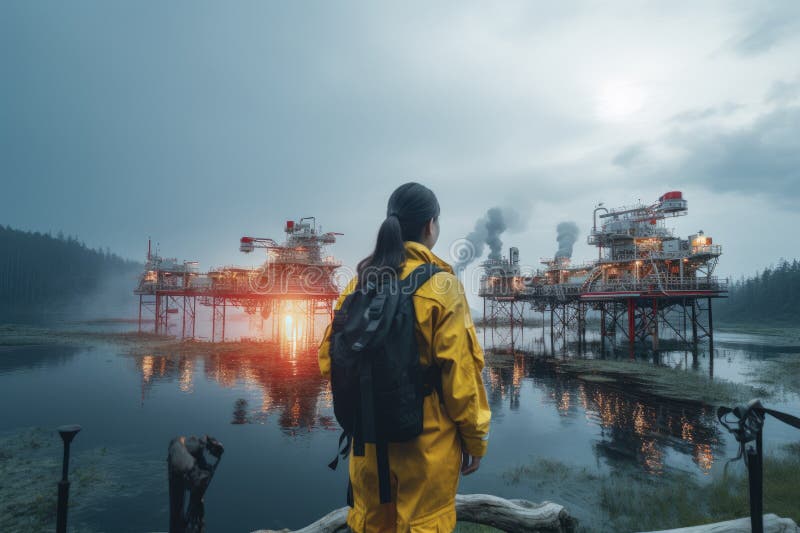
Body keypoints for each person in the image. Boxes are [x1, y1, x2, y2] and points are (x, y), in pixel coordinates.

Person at [318, 182, 491, 532]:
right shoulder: (442, 286)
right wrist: (475, 440)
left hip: (367, 445)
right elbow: (461, 378)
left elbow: (328, 359)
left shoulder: (359, 283)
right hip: (425, 450)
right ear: (430, 226)